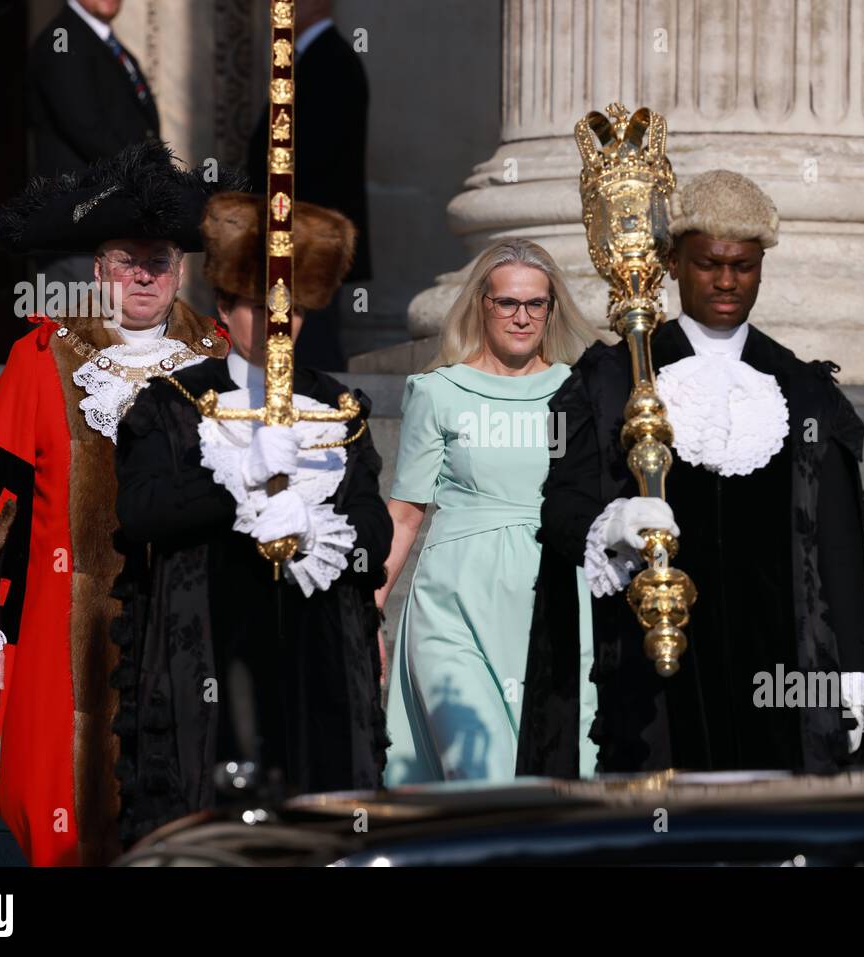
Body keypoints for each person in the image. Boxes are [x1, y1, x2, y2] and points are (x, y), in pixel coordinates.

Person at [517, 170, 864, 777]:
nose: (726, 281)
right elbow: (560, 512)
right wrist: (615, 523)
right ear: (672, 263)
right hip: (654, 679)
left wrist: (852, 669)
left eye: (743, 266)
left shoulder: (804, 393)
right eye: (708, 264)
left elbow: (841, 550)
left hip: (786, 678)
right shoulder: (613, 380)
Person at [0, 142, 240, 866]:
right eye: (127, 258)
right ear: (99, 270)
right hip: (59, 630)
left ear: (181, 269)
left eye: (158, 258)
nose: (143, 273)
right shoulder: (42, 358)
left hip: (192, 621)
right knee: (58, 816)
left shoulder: (221, 361)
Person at [110, 192, 391, 844]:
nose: (276, 322)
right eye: (260, 307)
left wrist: (320, 527)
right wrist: (237, 484)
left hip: (323, 647)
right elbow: (141, 510)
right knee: (216, 825)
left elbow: (373, 533)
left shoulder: (339, 404)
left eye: (289, 311)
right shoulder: (173, 399)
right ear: (226, 311)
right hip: (211, 642)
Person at [378, 239, 599, 785]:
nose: (521, 317)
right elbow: (405, 513)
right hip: (452, 606)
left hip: (560, 604)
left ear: (551, 309)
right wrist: (366, 613)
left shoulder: (577, 393)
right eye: (507, 303)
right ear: (482, 304)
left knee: (571, 780)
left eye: (535, 304)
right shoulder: (438, 392)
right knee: (481, 776)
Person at [246, 0, 370, 369]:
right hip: (298, 235)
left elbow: (315, 159)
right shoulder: (307, 59)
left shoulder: (331, 61)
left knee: (312, 347)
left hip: (309, 239)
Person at [28, 0, 161, 284]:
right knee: (82, 326)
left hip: (114, 230)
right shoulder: (61, 41)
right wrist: (150, 176)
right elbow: (87, 129)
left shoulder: (109, 45)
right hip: (80, 235)